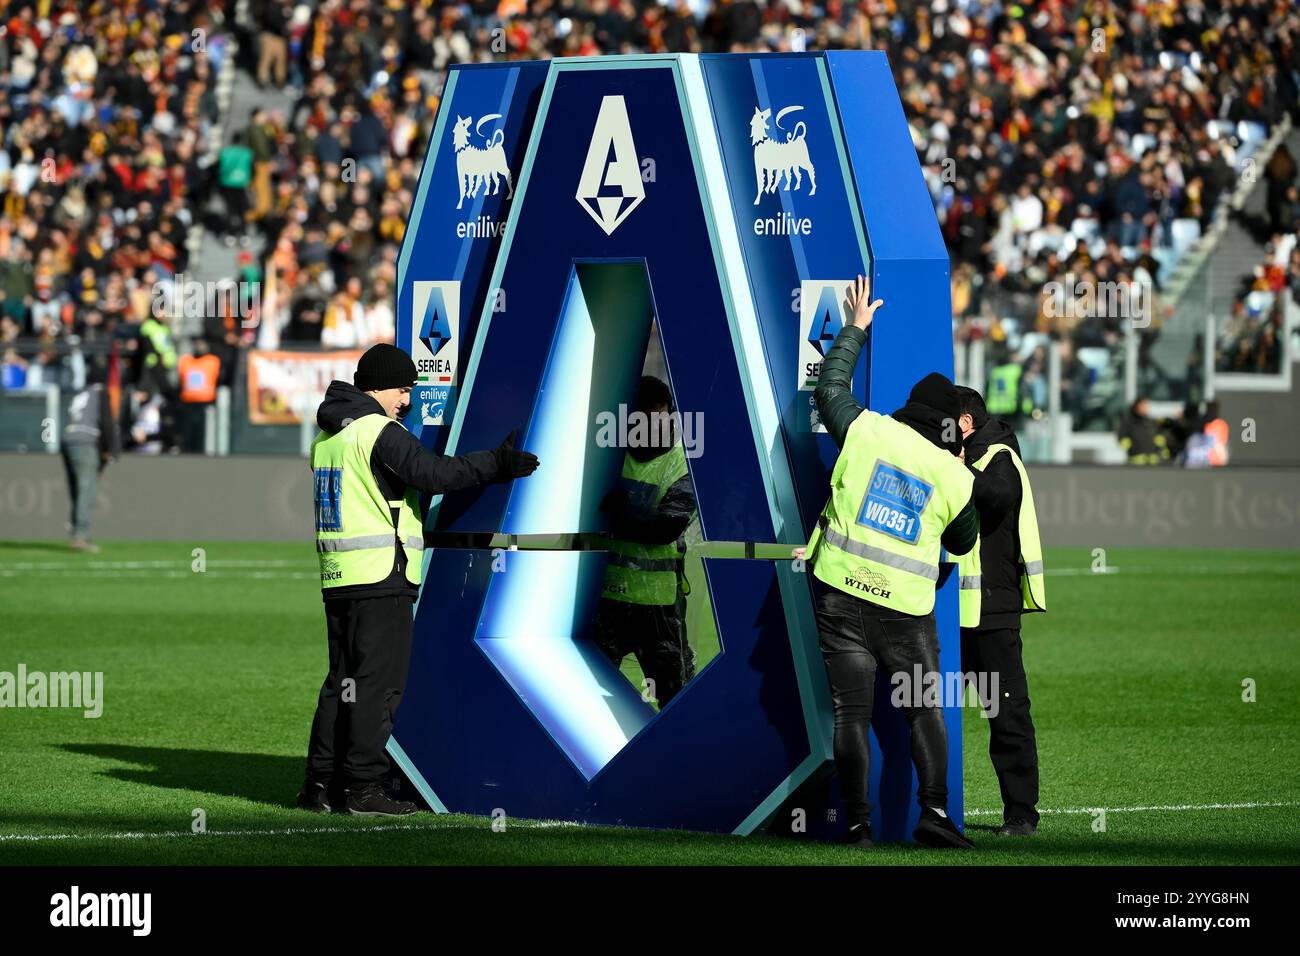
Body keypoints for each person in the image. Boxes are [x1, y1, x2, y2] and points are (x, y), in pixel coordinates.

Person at [300, 343, 539, 816]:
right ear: (378, 386)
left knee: (341, 682)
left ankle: (320, 786)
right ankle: (365, 788)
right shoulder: (377, 430)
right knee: (378, 685)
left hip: (340, 576)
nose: (406, 401)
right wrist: (497, 463)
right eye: (402, 389)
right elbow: (432, 474)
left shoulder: (330, 436)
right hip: (381, 577)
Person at [800, 275, 979, 850]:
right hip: (905, 611)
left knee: (849, 714)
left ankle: (856, 824)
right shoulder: (956, 474)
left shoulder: (870, 429)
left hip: (839, 593)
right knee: (924, 711)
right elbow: (964, 541)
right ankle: (933, 814)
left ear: (910, 413)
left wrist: (855, 326)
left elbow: (829, 387)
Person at [954, 386, 1047, 837]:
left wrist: (955, 471)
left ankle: (1021, 815)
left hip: (992, 611)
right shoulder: (972, 454)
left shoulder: (999, 458)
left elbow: (994, 497)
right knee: (926, 705)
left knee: (1006, 715)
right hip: (954, 610)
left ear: (965, 424)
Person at [593, 376, 698, 708]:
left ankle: (677, 759)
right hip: (608, 600)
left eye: (664, 418)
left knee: (676, 698)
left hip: (659, 608)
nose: (658, 427)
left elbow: (665, 529)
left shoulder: (681, 463)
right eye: (647, 418)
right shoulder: (607, 455)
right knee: (587, 694)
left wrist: (619, 514)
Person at [60, 367, 121, 553]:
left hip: (68, 440)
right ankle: (80, 535)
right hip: (86, 441)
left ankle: (77, 527)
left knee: (77, 490)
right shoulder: (100, 392)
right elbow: (106, 420)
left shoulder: (79, 394)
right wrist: (111, 449)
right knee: (87, 489)